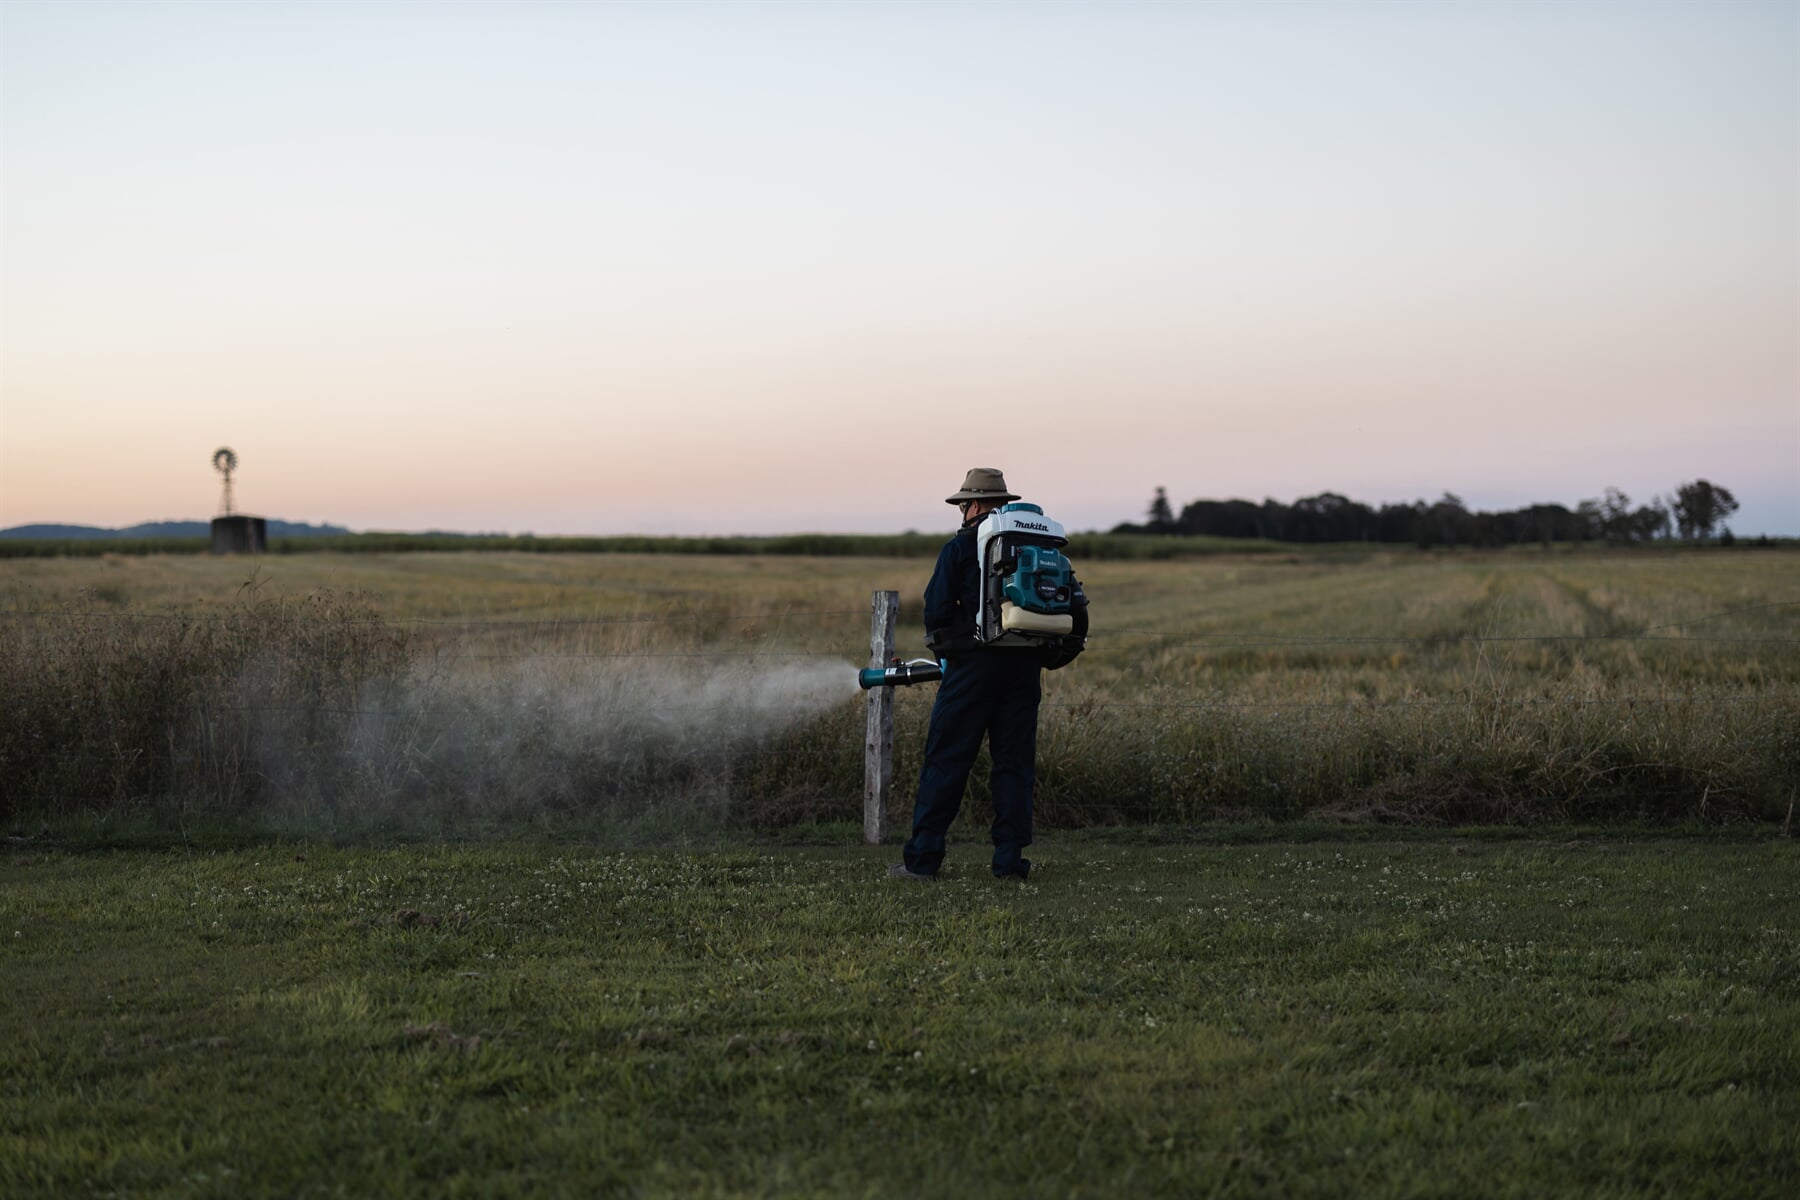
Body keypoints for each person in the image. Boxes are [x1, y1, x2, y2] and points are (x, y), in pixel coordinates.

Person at [891, 467, 1050, 883]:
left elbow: (936, 611)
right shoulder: (1035, 543)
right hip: (1025, 667)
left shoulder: (960, 547)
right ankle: (1010, 864)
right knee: (1014, 766)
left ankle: (922, 861)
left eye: (964, 505)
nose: (962, 512)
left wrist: (951, 653)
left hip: (972, 670)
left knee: (946, 762)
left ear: (974, 505)